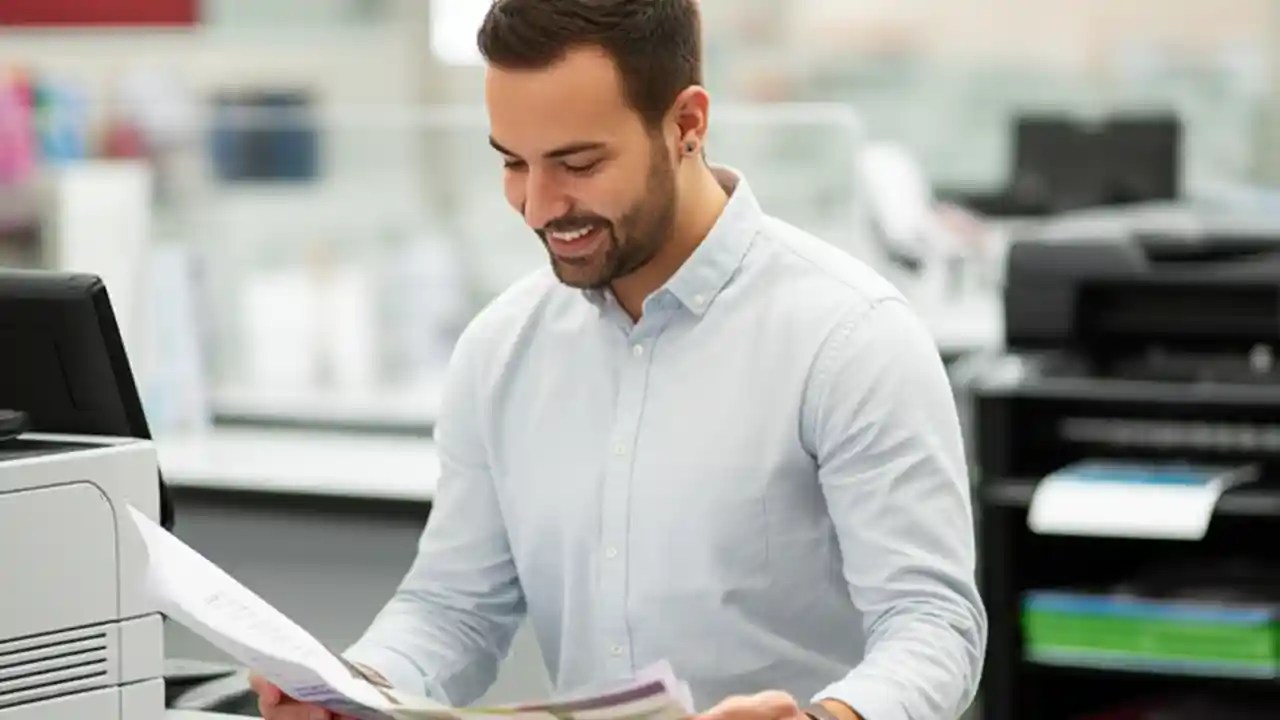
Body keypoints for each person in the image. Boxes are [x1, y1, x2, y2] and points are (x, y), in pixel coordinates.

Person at [252, 1, 986, 719]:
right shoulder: (500, 350)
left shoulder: (851, 337)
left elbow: (933, 626)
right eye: (514, 163)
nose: (539, 207)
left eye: (578, 163)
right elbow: (453, 608)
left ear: (687, 125)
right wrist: (353, 688)